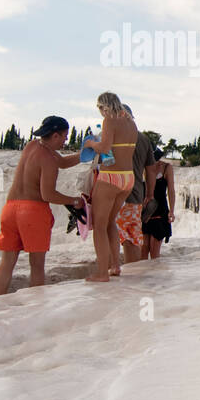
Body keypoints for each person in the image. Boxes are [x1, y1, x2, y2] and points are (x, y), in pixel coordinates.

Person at [0, 116, 84, 295]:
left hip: (10, 209)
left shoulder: (33, 145)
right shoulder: (48, 160)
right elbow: (48, 194)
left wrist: (86, 154)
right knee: (37, 264)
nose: (66, 141)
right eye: (65, 136)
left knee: (7, 261)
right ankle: (34, 307)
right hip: (32, 212)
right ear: (56, 135)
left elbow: (64, 162)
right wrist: (75, 201)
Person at [83, 92, 139, 282]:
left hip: (111, 177)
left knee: (99, 226)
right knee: (110, 222)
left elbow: (105, 148)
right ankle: (115, 266)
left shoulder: (109, 120)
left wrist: (91, 143)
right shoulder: (131, 122)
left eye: (100, 108)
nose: (100, 112)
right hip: (128, 178)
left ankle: (101, 273)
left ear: (104, 106)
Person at [117, 104, 155, 264]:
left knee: (114, 234)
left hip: (114, 195)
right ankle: (133, 272)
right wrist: (149, 195)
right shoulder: (143, 139)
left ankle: (112, 270)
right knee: (133, 235)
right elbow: (151, 171)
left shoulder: (111, 136)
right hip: (136, 195)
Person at [142, 148, 175, 258]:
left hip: (160, 210)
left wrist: (172, 211)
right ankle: (142, 275)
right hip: (145, 211)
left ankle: (155, 275)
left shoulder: (166, 167)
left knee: (154, 249)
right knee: (143, 248)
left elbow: (171, 190)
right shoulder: (143, 168)